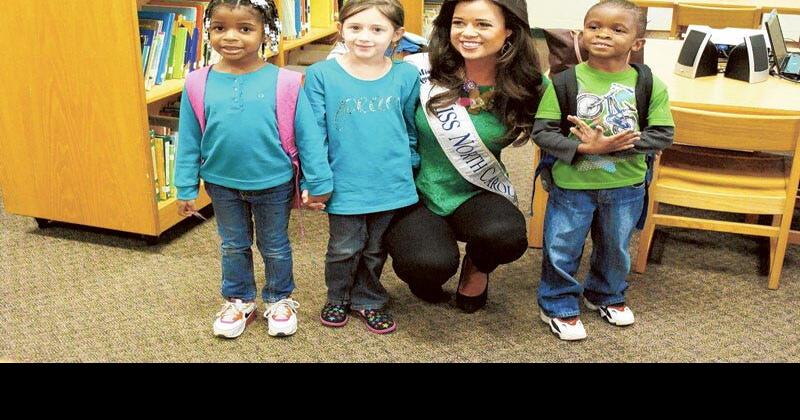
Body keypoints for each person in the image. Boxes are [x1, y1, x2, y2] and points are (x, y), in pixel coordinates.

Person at [174, 0, 332, 339]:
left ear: (266, 32)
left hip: (273, 181)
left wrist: (318, 180)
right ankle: (239, 299)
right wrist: (185, 187)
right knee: (232, 244)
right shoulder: (196, 83)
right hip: (221, 183)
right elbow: (188, 139)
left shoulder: (287, 82)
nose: (231, 37)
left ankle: (279, 298)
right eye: (220, 28)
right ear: (209, 32)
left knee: (274, 244)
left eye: (245, 29)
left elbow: (308, 136)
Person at [385, 0, 544, 313]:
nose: (468, 33)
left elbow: (558, 135)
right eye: (459, 23)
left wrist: (597, 153)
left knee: (507, 237)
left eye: (483, 24)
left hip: (476, 189)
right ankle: (426, 275)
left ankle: (477, 264)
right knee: (427, 264)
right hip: (412, 191)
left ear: (509, 30)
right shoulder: (418, 72)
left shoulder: (527, 85)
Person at [533, 0, 674, 341]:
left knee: (615, 246)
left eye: (617, 29)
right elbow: (543, 132)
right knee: (562, 246)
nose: (602, 34)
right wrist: (587, 148)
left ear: (637, 43)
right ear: (582, 33)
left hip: (626, 186)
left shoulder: (649, 84)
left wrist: (616, 145)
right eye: (593, 27)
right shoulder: (564, 82)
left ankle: (606, 295)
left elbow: (663, 134)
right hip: (572, 185)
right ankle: (557, 302)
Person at [304, 0, 420, 334]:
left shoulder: (405, 74)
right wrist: (316, 180)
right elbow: (313, 132)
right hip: (343, 183)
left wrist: (411, 165)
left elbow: (409, 126)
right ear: (340, 30)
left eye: (377, 29)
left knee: (374, 248)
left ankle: (368, 298)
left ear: (396, 34)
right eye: (355, 28)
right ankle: (337, 296)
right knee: (343, 248)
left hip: (391, 181)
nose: (364, 37)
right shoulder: (321, 75)